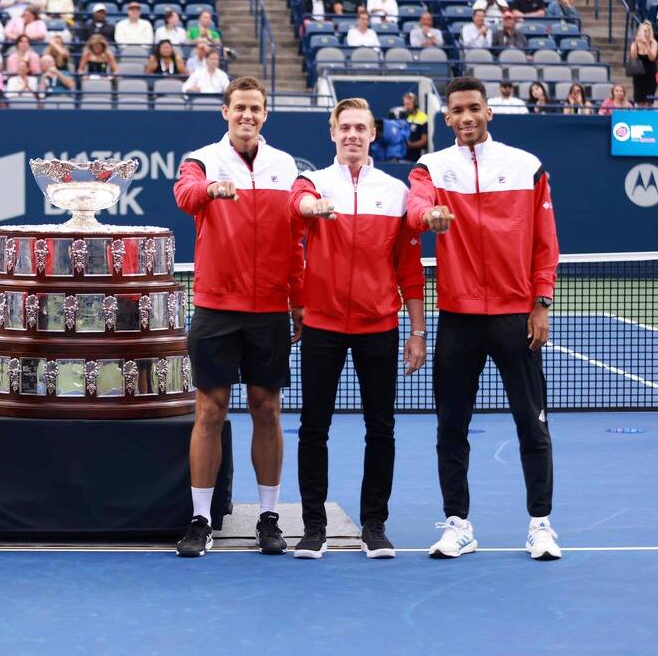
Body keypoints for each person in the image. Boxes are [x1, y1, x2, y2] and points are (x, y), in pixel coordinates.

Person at [406, 76, 561, 562]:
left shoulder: (526, 166)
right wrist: (428, 216)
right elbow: (415, 205)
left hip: (516, 317)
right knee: (451, 427)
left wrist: (542, 301)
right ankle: (458, 524)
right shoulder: (431, 167)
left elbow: (545, 242)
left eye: (475, 107)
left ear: (488, 111)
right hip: (458, 319)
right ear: (447, 118)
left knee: (531, 426)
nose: (467, 116)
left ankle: (540, 524)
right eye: (458, 110)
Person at [173, 76, 305, 558]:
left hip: (269, 307)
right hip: (215, 306)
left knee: (266, 410)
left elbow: (295, 239)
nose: (247, 115)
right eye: (239, 108)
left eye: (255, 108)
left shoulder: (284, 166)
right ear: (224, 112)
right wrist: (210, 188)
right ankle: (200, 519)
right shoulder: (202, 161)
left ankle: (268, 517)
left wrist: (298, 299)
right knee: (209, 411)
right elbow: (184, 195)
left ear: (265, 114)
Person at [289, 97, 425, 560]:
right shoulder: (312, 183)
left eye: (360, 128)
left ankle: (374, 525)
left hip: (379, 327)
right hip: (322, 326)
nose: (352, 134)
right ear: (332, 133)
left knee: (380, 428)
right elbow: (294, 211)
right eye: (344, 127)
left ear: (372, 135)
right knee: (313, 427)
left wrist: (418, 330)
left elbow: (409, 266)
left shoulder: (396, 192)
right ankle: (313, 527)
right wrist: (310, 206)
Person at [629, 20, 658, 106]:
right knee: (639, 100)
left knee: (649, 101)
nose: (644, 33)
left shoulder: (653, 43)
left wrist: (647, 45)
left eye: (646, 31)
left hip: (650, 74)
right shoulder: (634, 43)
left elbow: (652, 57)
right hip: (639, 75)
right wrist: (635, 43)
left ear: (649, 32)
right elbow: (633, 57)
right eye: (642, 31)